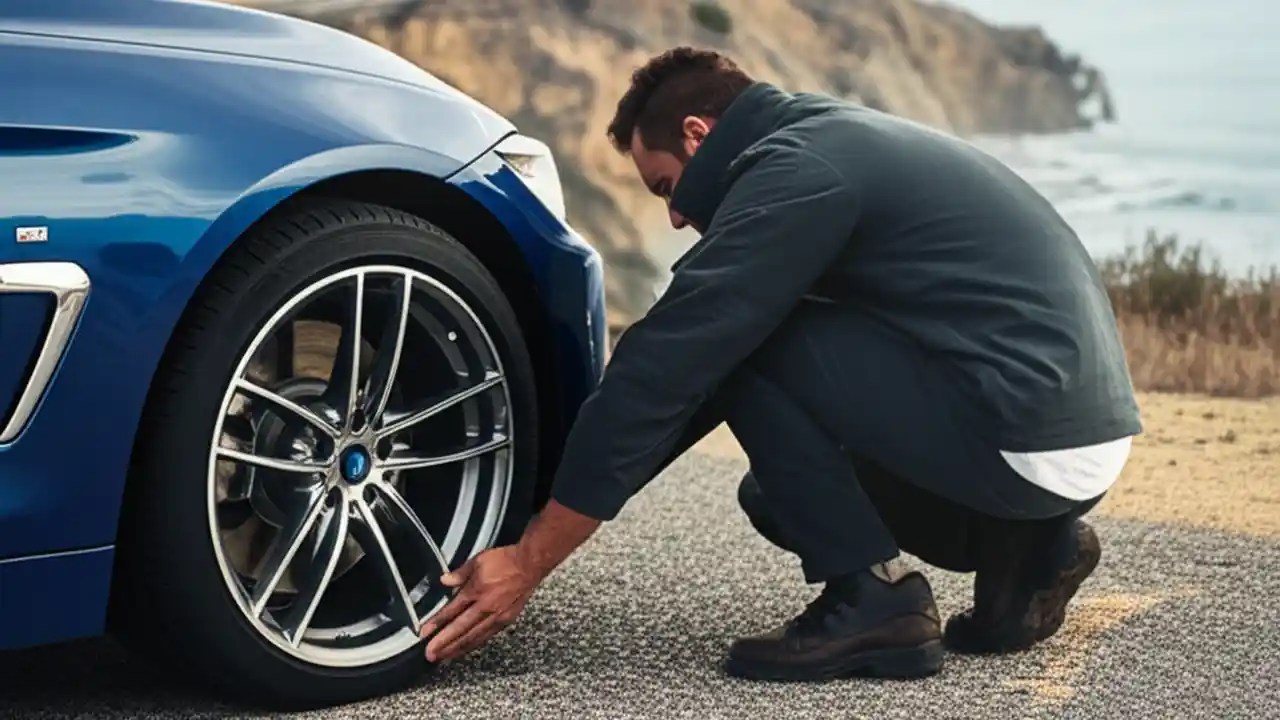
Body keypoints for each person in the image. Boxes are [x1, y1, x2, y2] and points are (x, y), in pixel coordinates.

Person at [419, 47, 1142, 681]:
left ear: (699, 136)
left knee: (735, 336)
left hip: (1018, 431)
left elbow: (669, 363)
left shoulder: (801, 169)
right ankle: (1028, 553)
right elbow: (675, 395)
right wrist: (546, 510)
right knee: (772, 493)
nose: (673, 217)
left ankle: (875, 603)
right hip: (1075, 439)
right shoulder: (832, 138)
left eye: (667, 188)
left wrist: (530, 561)